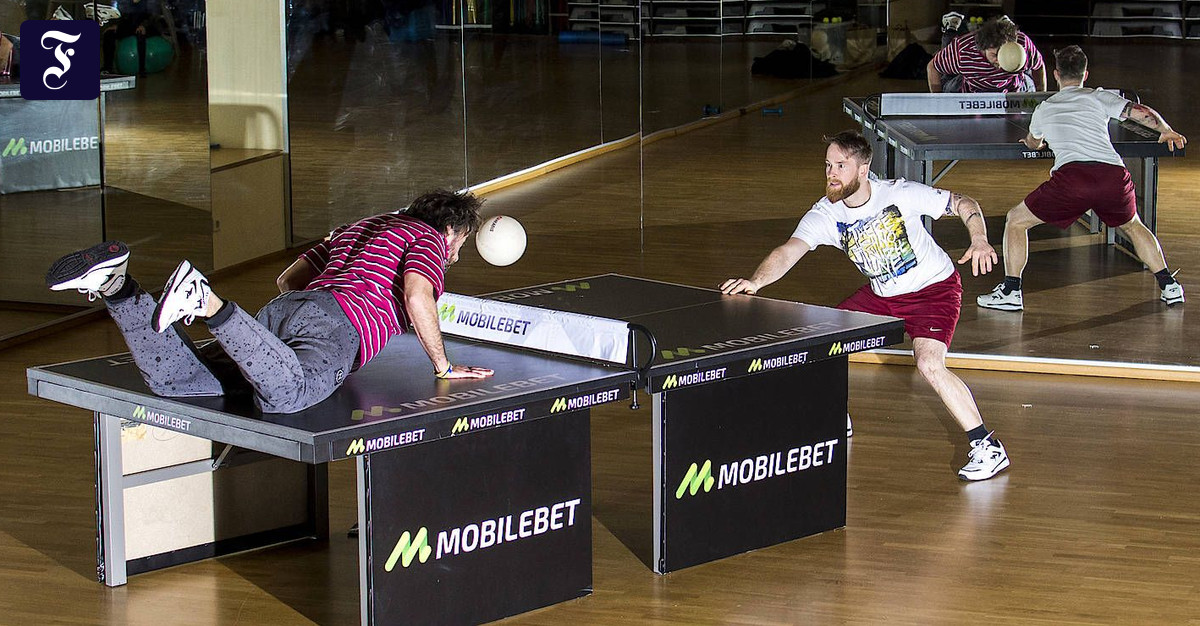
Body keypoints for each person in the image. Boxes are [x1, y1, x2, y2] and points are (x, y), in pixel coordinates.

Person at [45, 189, 495, 415]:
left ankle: (117, 287)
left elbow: (290, 279)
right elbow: (418, 296)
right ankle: (206, 303)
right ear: (453, 230)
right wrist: (443, 365)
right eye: (461, 243)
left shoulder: (361, 226)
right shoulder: (429, 238)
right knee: (289, 394)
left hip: (288, 309)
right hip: (342, 324)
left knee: (178, 382)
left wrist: (286, 338)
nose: (455, 254)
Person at [720, 131, 1010, 481]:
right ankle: (834, 417)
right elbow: (789, 251)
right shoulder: (826, 213)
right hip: (882, 295)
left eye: (841, 166)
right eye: (828, 165)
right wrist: (756, 281)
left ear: (862, 169)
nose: (831, 173)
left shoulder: (899, 194)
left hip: (934, 291)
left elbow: (965, 203)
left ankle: (987, 447)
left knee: (929, 364)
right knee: (820, 341)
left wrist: (979, 239)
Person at [977, 46, 1186, 311]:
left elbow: (1033, 142)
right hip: (1113, 175)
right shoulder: (1099, 97)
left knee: (1016, 222)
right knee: (1133, 225)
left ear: (1056, 74)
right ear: (1085, 74)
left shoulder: (1045, 107)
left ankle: (1011, 290)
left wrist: (1034, 144)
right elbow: (1141, 112)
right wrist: (1166, 130)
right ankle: (1169, 286)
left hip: (1073, 179)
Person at [928, 16, 1045, 94]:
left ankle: (1004, 25)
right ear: (983, 49)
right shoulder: (963, 48)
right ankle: (950, 28)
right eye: (994, 55)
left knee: (1030, 85)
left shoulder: (1023, 43)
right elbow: (933, 67)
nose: (1000, 62)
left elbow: (1039, 66)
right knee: (947, 78)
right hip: (971, 86)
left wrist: (1041, 97)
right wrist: (937, 101)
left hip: (1013, 87)